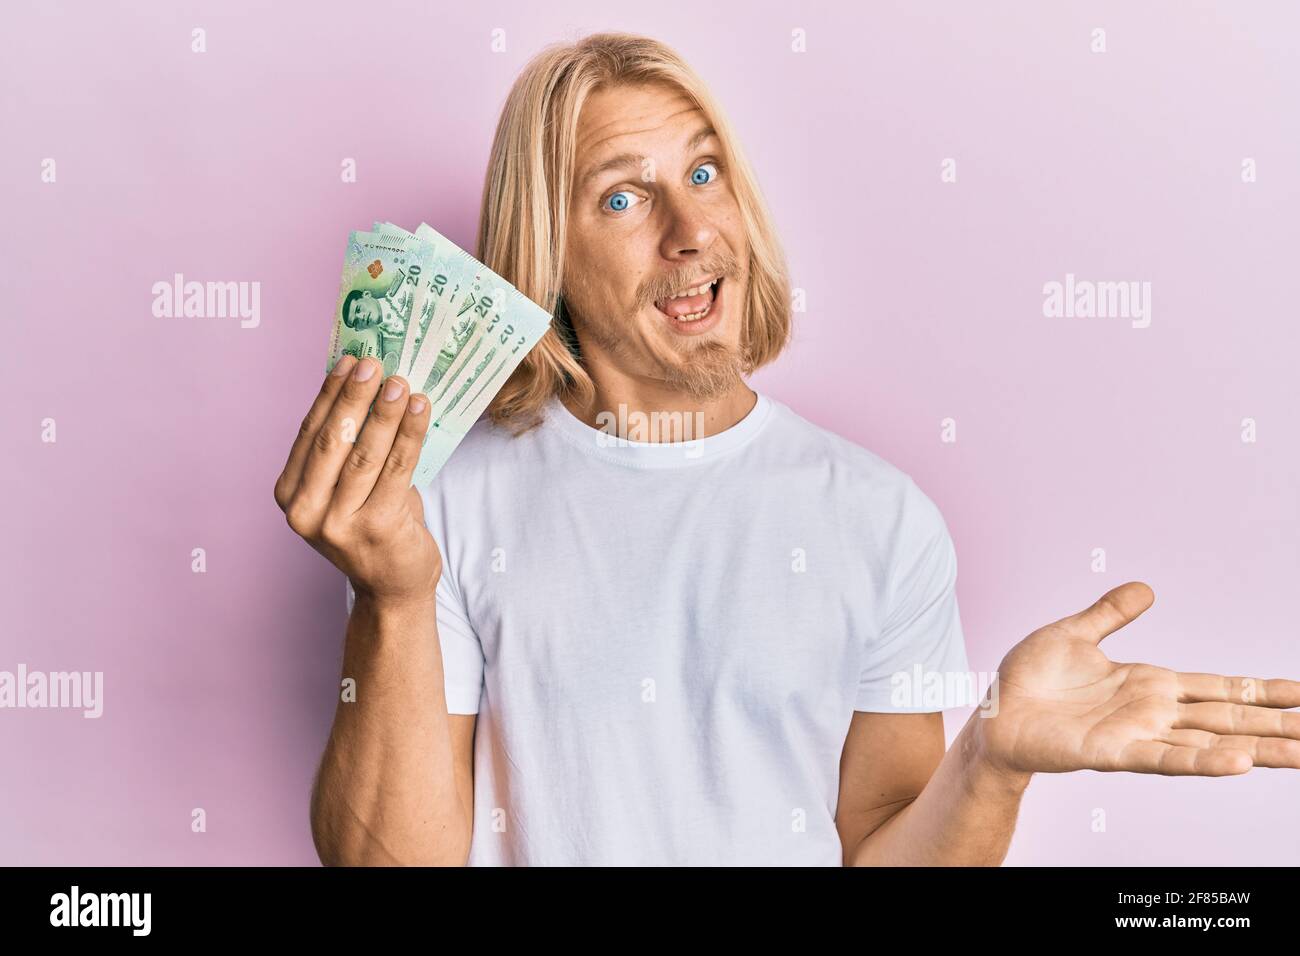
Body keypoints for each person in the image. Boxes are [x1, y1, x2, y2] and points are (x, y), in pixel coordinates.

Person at [274, 33, 1300, 866]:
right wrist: (393, 597)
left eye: (703, 171)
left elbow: (880, 853)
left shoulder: (879, 518)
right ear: (545, 255)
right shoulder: (445, 506)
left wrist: (989, 758)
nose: (690, 230)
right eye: (622, 196)